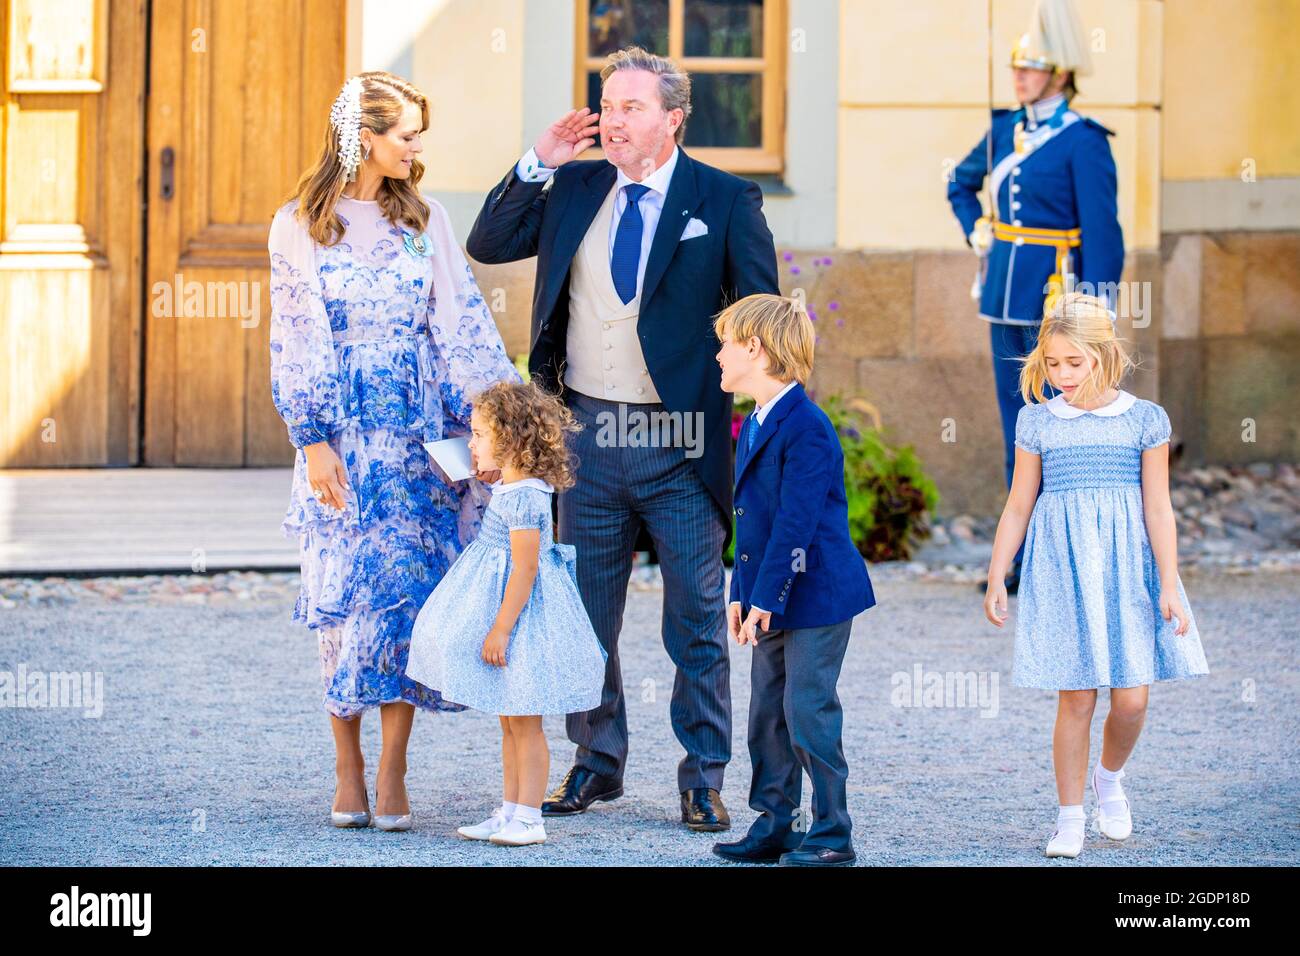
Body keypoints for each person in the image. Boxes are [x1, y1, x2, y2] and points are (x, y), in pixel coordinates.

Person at [466, 45, 779, 831]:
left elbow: (763, 317)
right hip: (584, 437)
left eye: (632, 107)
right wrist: (539, 159)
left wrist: (758, 414)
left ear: (673, 119)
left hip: (680, 441)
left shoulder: (725, 197)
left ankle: (702, 774)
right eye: (607, 106)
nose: (612, 119)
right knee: (583, 618)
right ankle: (596, 764)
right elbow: (489, 241)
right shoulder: (573, 185)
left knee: (697, 620)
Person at [267, 72, 520, 832]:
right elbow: (296, 335)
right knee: (343, 595)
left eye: (418, 134)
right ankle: (346, 766)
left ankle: (393, 765)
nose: (415, 147)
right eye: (405, 133)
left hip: (419, 434)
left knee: (410, 595)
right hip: (342, 437)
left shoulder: (427, 220)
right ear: (362, 138)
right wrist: (312, 438)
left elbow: (462, 320)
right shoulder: (297, 224)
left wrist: (496, 421)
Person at [983, 293, 1210, 859]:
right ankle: (1069, 817)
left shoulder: (1144, 419)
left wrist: (1167, 581)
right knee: (1077, 697)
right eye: (1052, 362)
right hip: (1063, 570)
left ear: (1105, 355)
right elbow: (1018, 506)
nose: (1061, 374)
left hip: (1127, 568)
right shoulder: (1037, 421)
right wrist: (995, 574)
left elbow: (1158, 508)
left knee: (1131, 700)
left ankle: (1110, 779)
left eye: (1074, 363)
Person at [947, 0, 1124, 594]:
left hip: (1059, 302)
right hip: (1003, 297)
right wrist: (976, 228)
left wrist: (1097, 311)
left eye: (1031, 68)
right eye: (1017, 68)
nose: (1019, 77)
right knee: (1020, 426)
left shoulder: (1084, 140)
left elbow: (1104, 231)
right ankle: (1023, 558)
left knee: (1066, 426)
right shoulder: (1004, 130)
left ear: (1061, 73)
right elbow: (959, 182)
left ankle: (1071, 556)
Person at [710, 294, 876, 867]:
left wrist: (766, 599)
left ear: (754, 348)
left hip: (817, 596)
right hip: (770, 596)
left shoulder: (806, 425)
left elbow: (794, 526)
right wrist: (741, 593)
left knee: (808, 711)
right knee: (766, 715)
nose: (718, 356)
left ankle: (832, 834)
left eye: (725, 344)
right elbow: (750, 521)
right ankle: (776, 822)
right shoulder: (756, 421)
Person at [406, 381, 607, 847]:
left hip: (523, 619)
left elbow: (527, 567)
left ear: (512, 439)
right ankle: (512, 808)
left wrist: (500, 629)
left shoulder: (525, 496)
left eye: (478, 434)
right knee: (510, 717)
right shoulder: (516, 486)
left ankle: (530, 817)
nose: (470, 443)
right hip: (513, 610)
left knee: (526, 720)